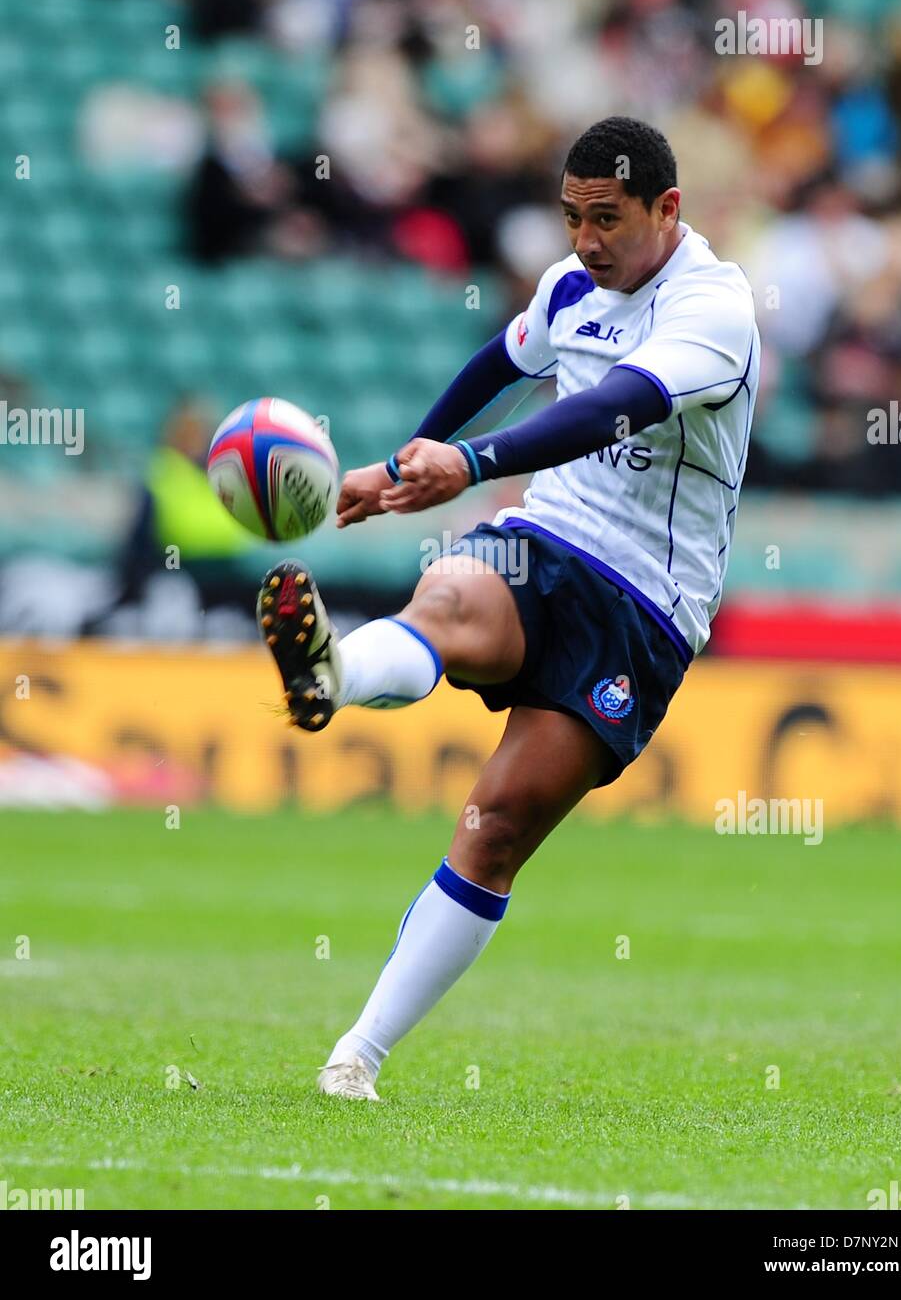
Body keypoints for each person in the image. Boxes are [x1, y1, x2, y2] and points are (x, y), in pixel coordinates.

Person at [257, 116, 760, 1099]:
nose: (583, 240)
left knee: (495, 826)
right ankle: (330, 672)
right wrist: (404, 461)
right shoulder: (572, 286)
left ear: (668, 209)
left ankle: (358, 1051)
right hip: (547, 540)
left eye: (606, 218)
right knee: (449, 596)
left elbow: (617, 404)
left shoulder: (714, 307)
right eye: (571, 216)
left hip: (645, 606)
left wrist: (473, 462)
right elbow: (503, 362)